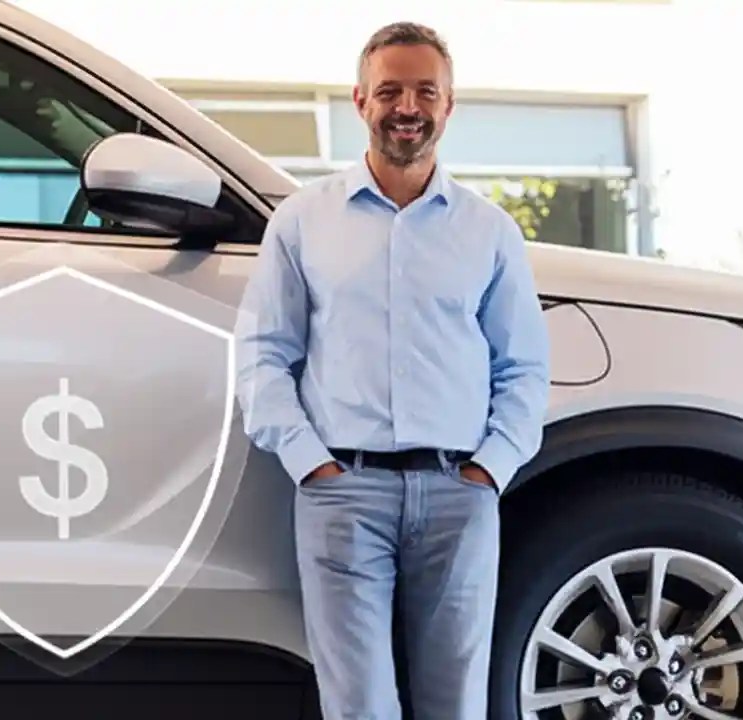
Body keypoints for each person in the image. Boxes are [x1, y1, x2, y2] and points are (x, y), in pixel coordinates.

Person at [233, 20, 550, 720]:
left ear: (449, 104)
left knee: (455, 705)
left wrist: (489, 470)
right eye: (390, 91)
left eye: (425, 92)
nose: (408, 107)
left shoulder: (489, 231)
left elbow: (524, 368)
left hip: (459, 495)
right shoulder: (302, 221)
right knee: (358, 706)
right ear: (360, 101)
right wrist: (312, 464)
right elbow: (262, 356)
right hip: (343, 494)